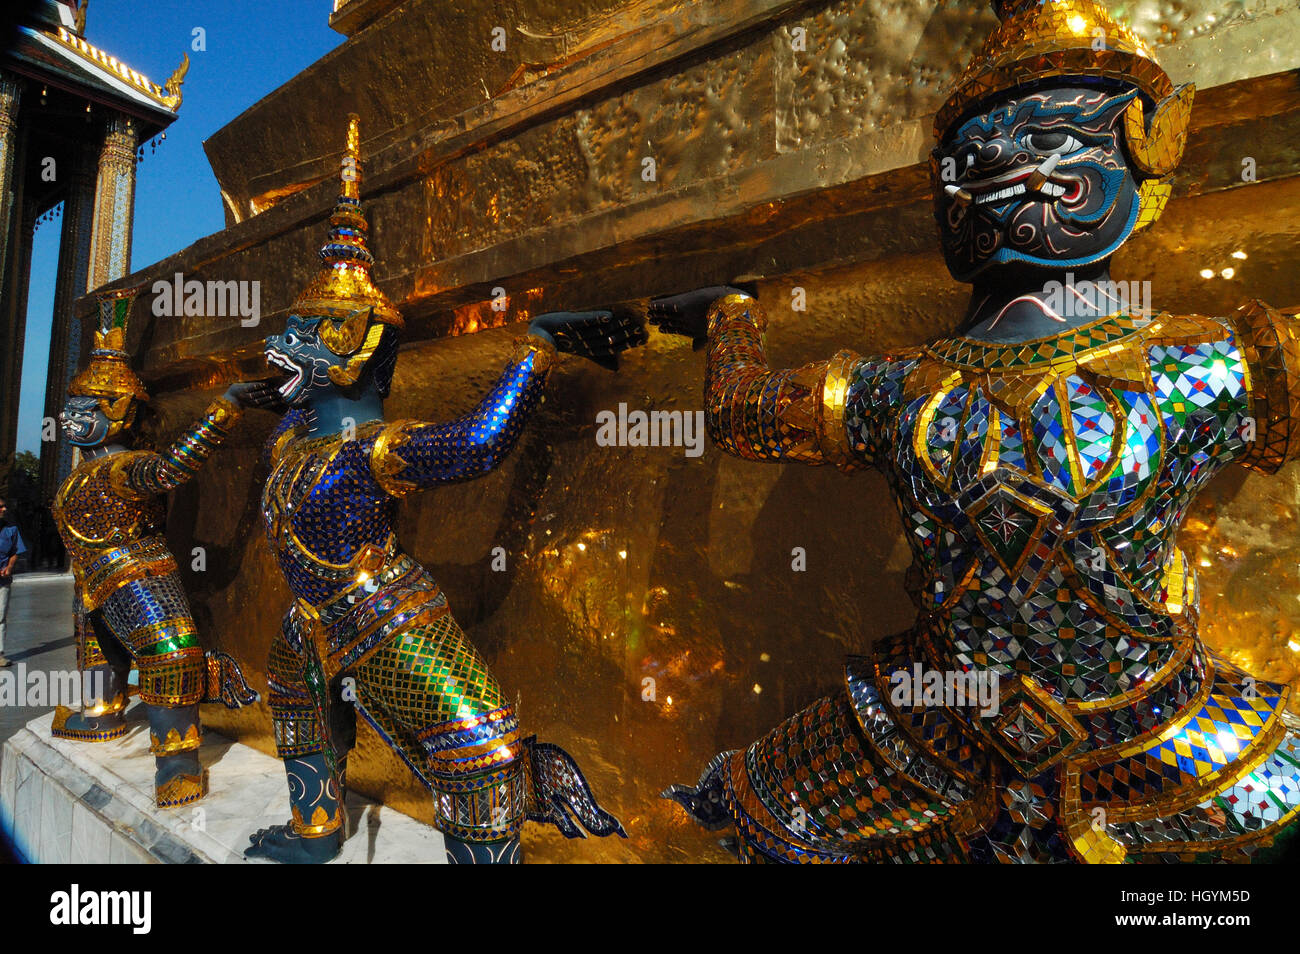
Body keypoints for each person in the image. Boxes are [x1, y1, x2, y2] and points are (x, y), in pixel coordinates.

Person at [0, 498, 27, 668]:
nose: (4, 508)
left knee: (0, 617)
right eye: (0, 506)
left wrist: (9, 566)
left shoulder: (11, 529)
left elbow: (15, 552)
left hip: (3, 580)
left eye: (4, 506)